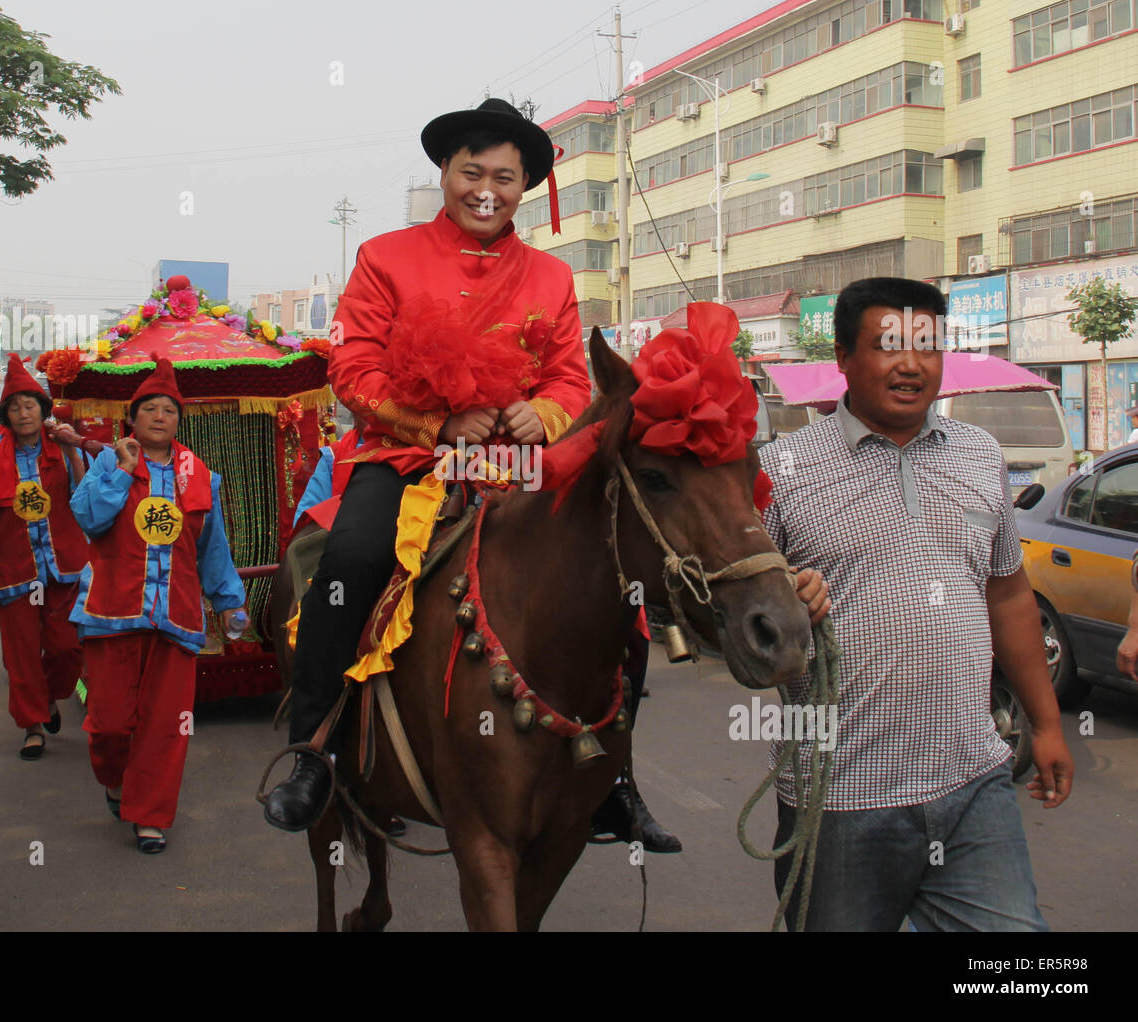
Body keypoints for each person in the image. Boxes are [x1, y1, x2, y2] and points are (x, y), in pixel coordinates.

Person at [263, 98, 681, 853]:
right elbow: (351, 368)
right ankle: (314, 751)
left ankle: (615, 778)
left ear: (525, 188)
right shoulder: (386, 257)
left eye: (505, 177)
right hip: (407, 456)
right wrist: (434, 423)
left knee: (620, 586)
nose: (486, 189)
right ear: (446, 174)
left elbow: (565, 377)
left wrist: (545, 416)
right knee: (350, 563)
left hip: (516, 463)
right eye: (471, 172)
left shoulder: (551, 275)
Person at [758, 277, 1073, 931]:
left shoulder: (982, 456)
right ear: (842, 359)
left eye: (928, 348)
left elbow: (1008, 592)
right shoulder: (781, 472)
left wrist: (1044, 725)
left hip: (974, 782)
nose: (911, 365)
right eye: (888, 346)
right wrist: (785, 604)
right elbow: (733, 625)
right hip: (840, 797)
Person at [70, 357, 246, 854]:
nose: (160, 416)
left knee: (167, 726)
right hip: (111, 614)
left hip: (177, 616)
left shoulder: (201, 476)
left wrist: (230, 601)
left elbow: (213, 548)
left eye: (169, 409)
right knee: (108, 724)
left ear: (178, 420)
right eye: (150, 408)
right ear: (133, 417)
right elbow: (87, 518)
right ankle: (114, 779)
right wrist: (123, 473)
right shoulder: (110, 462)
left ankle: (150, 816)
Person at [0, 354, 90, 760]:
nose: (23, 412)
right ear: (5, 415)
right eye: (15, 407)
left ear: (43, 409)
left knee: (68, 647)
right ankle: (32, 725)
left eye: (30, 404)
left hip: (63, 567)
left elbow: (85, 498)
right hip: (16, 572)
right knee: (22, 653)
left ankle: (50, 696)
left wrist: (73, 449)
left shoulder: (63, 448)